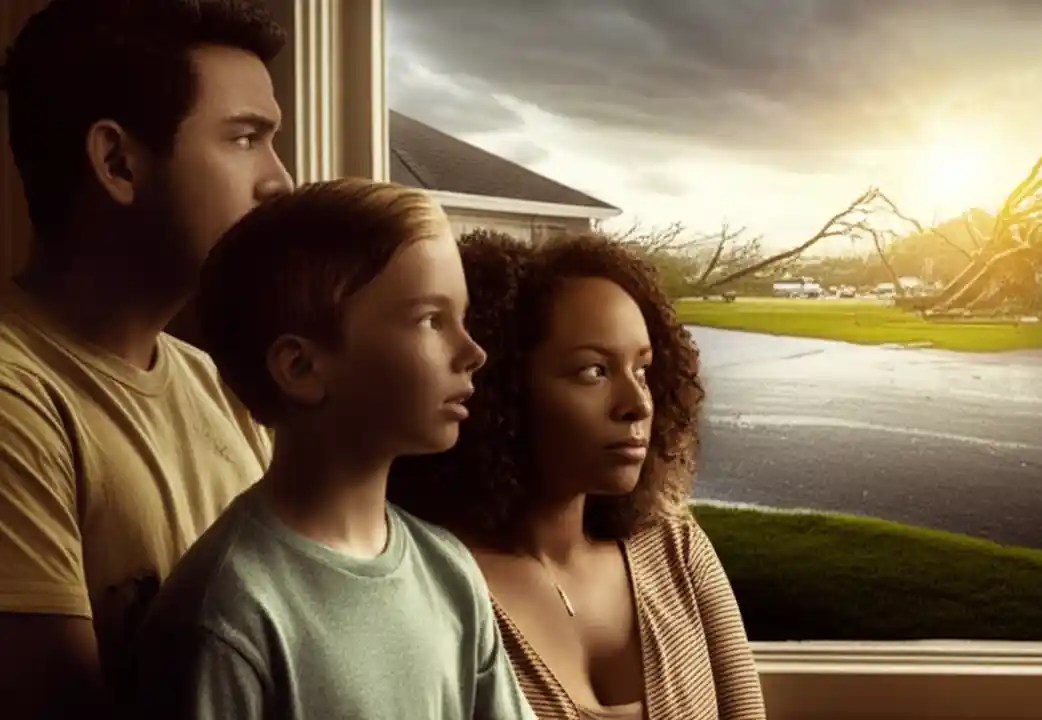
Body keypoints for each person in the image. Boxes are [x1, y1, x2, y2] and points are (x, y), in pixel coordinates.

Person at [133, 178, 535, 720]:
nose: (473, 352)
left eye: (462, 319)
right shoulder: (229, 616)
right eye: (430, 320)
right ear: (301, 367)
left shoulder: (450, 573)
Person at [0, 0, 292, 715]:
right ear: (118, 163)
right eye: (245, 138)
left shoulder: (220, 387)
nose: (280, 181)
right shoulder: (14, 400)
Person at [390, 231, 768, 720]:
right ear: (501, 389)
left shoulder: (676, 549)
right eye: (594, 372)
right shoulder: (430, 588)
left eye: (643, 369)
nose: (638, 404)